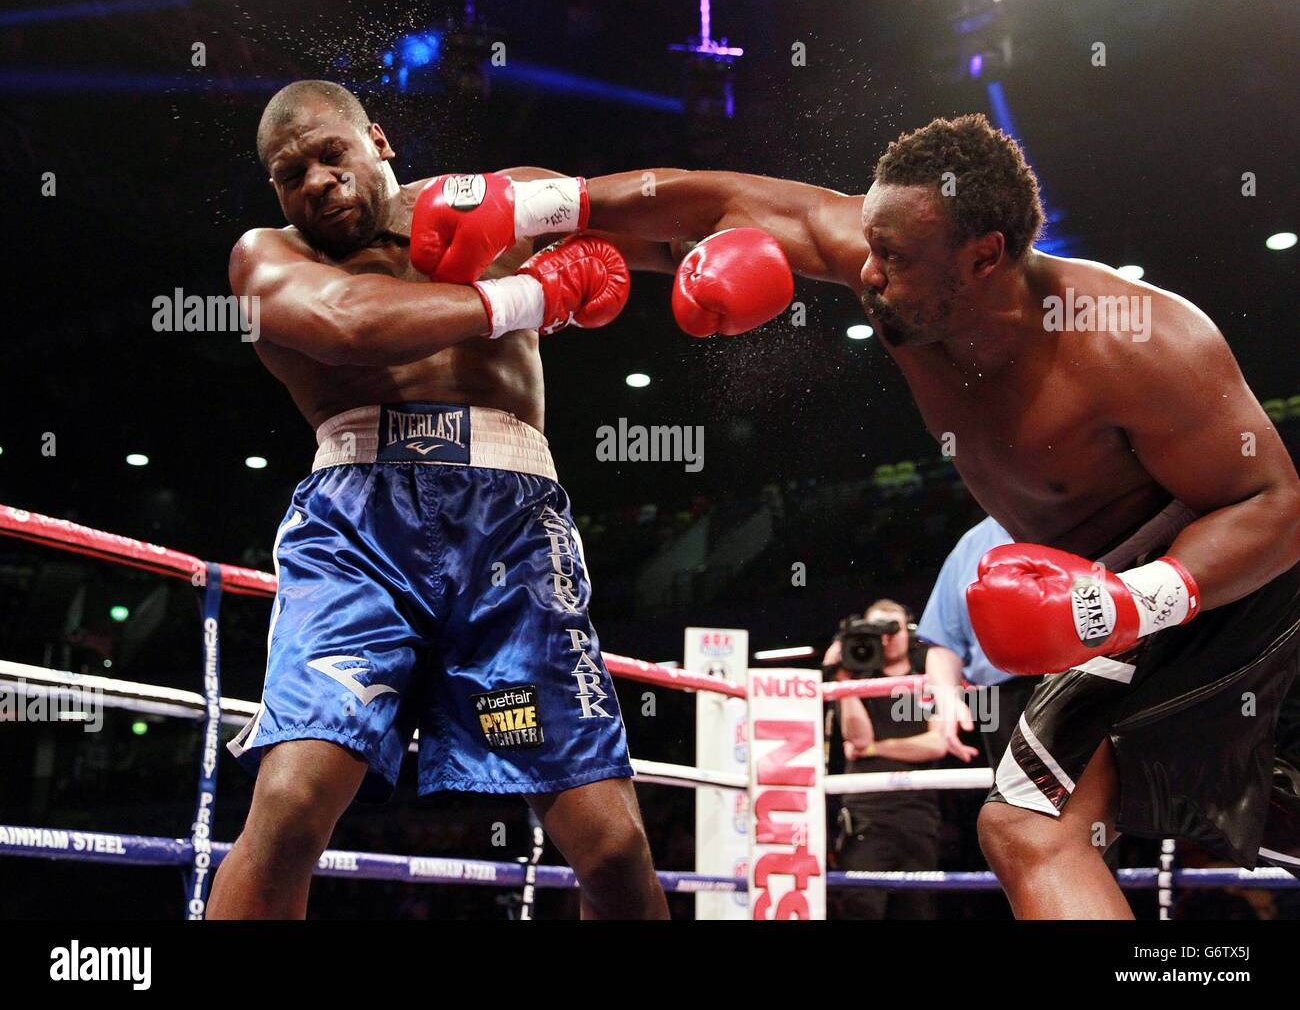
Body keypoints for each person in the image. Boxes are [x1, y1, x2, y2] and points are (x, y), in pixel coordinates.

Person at [420, 113, 1300, 918]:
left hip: (1225, 585)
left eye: (897, 259)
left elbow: (1277, 502)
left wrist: (1127, 599)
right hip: (1111, 601)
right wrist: (539, 203)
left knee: (1031, 826)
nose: (865, 272)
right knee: (1102, 829)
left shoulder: (1133, 338)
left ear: (985, 256)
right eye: (869, 245)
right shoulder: (884, 259)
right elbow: (720, 200)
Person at [207, 79, 673, 919]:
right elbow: (346, 320)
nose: (314, 180)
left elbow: (650, 220)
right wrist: (532, 295)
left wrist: (790, 242)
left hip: (514, 527)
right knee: (287, 808)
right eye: (290, 173)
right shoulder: (267, 257)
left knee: (613, 846)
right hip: (358, 524)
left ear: (377, 140)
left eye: (329, 153)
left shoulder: (499, 205)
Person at [824, 599, 971, 919]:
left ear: (910, 631)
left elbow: (935, 744)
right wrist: (842, 679)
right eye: (877, 630)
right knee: (860, 909)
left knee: (918, 911)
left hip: (918, 818)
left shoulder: (929, 677)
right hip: (866, 817)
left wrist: (877, 748)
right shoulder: (857, 679)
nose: (887, 637)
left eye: (894, 629)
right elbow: (858, 737)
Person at [917, 514, 1034, 768]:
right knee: (1016, 805)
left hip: (1089, 681)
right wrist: (947, 700)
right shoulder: (971, 545)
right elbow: (944, 644)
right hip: (1002, 701)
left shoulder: (1079, 517)